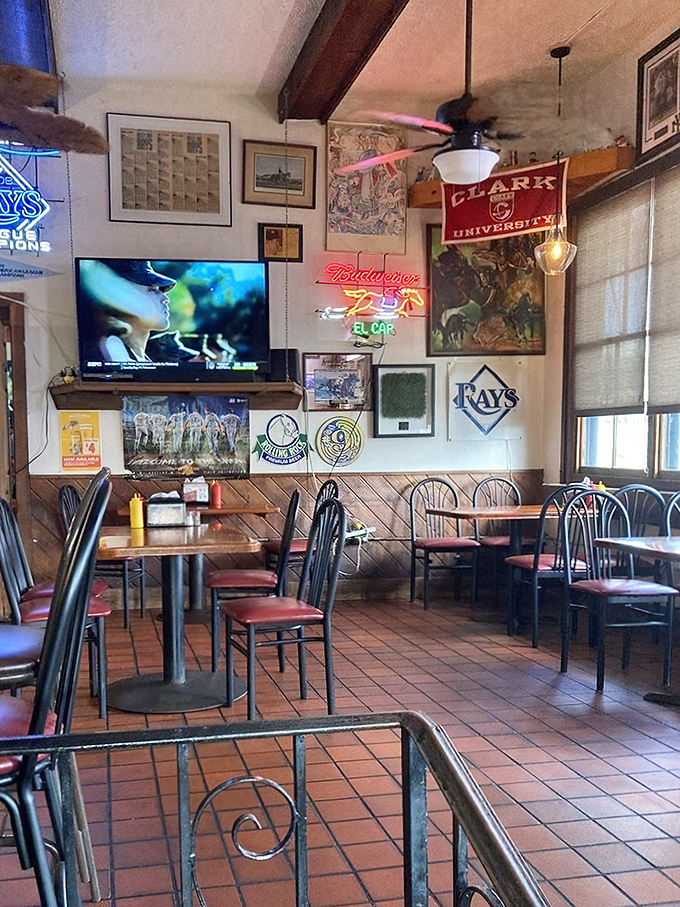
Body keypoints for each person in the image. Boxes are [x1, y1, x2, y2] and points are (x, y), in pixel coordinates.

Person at [79, 259, 179, 362]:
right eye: (152, 290)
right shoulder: (114, 347)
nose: (165, 299)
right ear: (120, 296)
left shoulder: (138, 357)